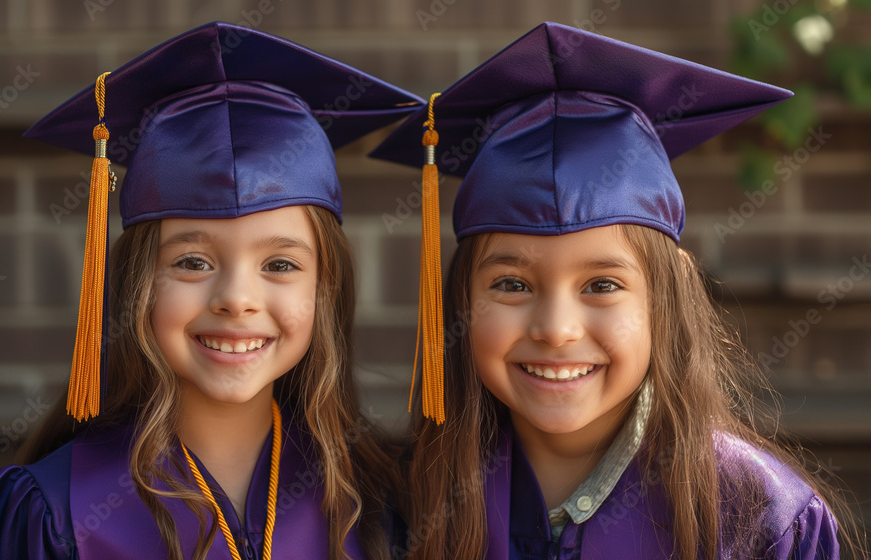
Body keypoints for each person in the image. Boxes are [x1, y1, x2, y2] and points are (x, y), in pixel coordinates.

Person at [370, 22, 865, 560]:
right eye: (511, 284)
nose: (556, 330)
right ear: (461, 300)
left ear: (664, 297)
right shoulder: (395, 508)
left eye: (601, 285)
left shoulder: (758, 518)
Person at [0, 22, 423, 560]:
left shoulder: (381, 504)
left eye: (281, 264)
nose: (236, 298)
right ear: (137, 285)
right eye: (192, 262)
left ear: (326, 289)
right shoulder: (52, 513)